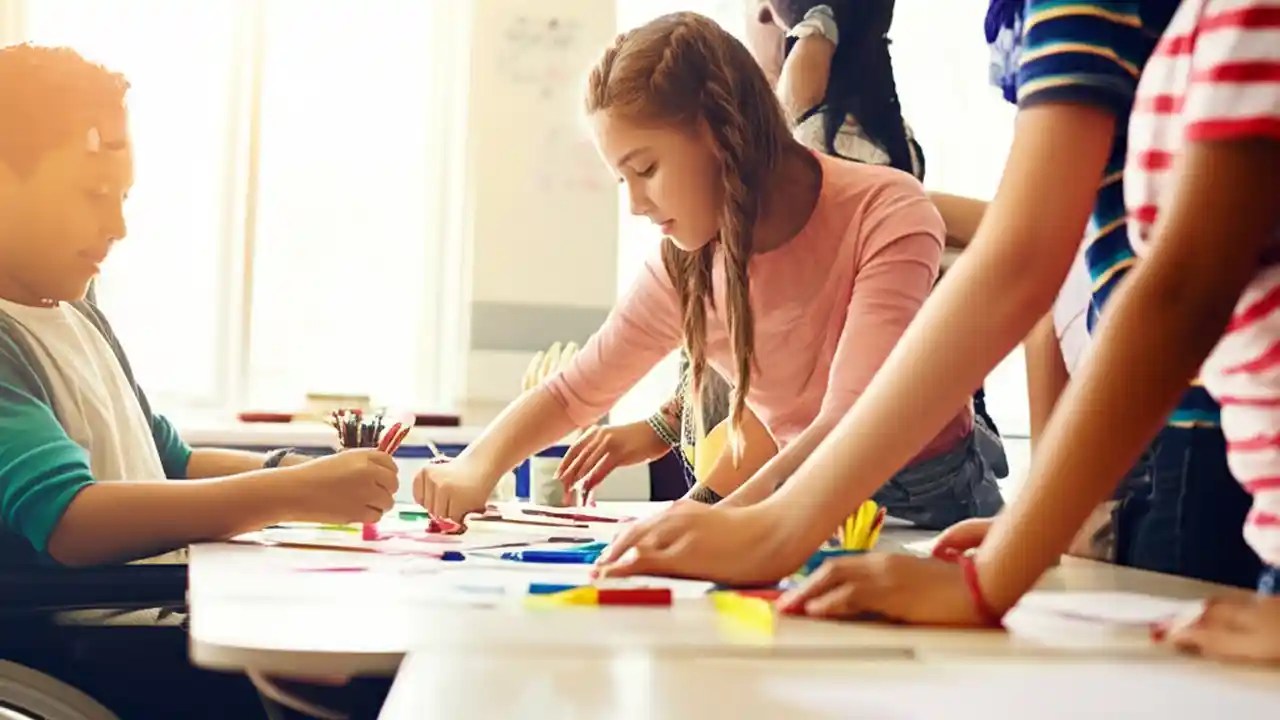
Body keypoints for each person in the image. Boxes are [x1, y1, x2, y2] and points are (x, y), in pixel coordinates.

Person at [591, 0, 1257, 588]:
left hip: (1177, 433)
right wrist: (1043, 524)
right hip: (1146, 437)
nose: (768, 34)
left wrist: (775, 526)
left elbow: (1050, 268)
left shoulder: (837, 162)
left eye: (774, 16)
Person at [778, 0, 1280, 662]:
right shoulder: (1209, 28)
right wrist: (1037, 522)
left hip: (1187, 454)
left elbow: (1171, 293)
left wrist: (991, 578)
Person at [416, 12, 1003, 532]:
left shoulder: (887, 210)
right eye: (624, 179)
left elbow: (855, 418)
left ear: (723, 133)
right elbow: (574, 391)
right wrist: (476, 464)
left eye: (645, 169)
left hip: (927, 492)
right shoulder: (686, 260)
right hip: (800, 484)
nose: (636, 205)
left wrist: (723, 521)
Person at [0, 43, 398, 717]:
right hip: (85, 642)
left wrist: (287, 469)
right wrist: (288, 492)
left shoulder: (76, 310)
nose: (118, 226)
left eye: (123, 197)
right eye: (92, 195)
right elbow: (71, 521)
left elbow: (168, 461)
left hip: (146, 621)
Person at [557, 0, 1006, 500]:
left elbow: (808, 367)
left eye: (767, 12)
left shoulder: (825, 163)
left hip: (886, 464)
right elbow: (771, 352)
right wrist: (669, 436)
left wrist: (709, 509)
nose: (758, 25)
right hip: (811, 458)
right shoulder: (727, 211)